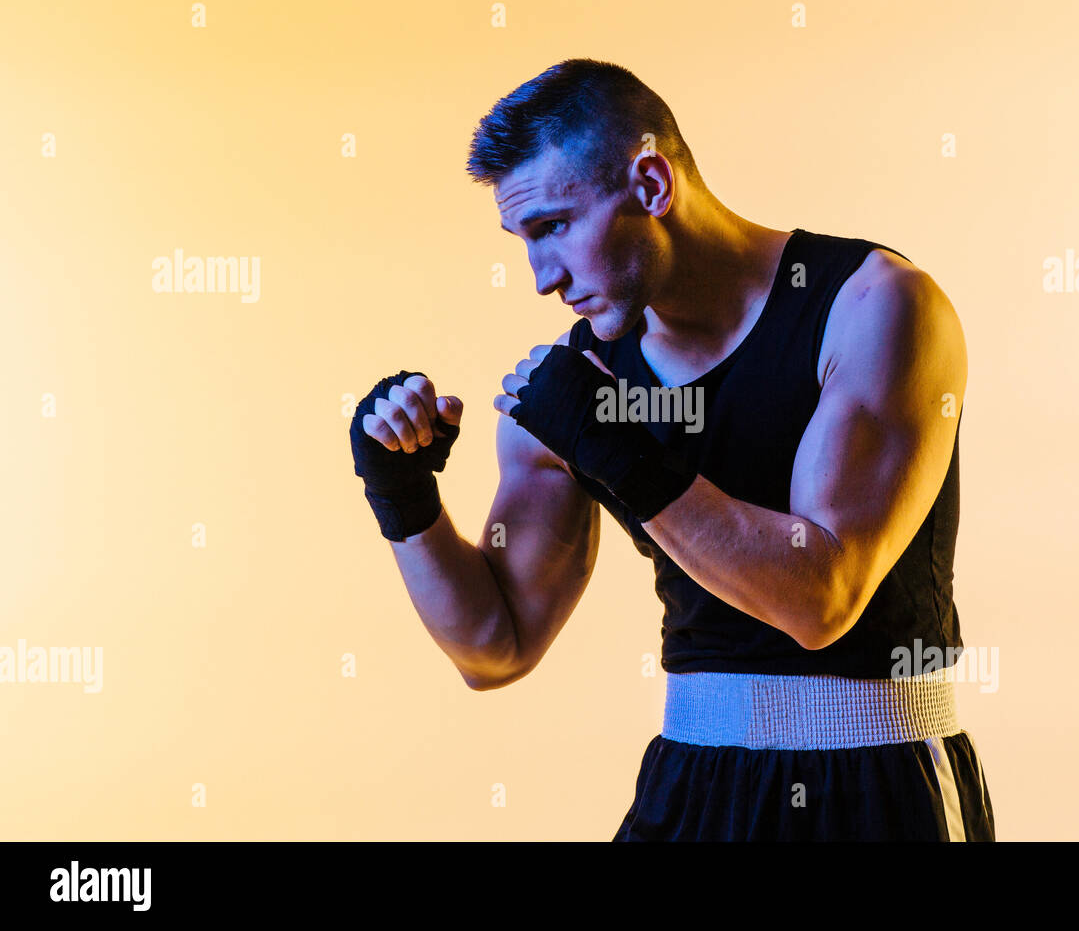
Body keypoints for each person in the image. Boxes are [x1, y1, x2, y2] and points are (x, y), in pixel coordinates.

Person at [348, 58, 994, 841]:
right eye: (522, 238)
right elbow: (496, 647)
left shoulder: (873, 307)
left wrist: (614, 446)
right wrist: (403, 496)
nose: (541, 276)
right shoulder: (579, 387)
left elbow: (821, 599)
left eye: (554, 225)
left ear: (652, 185)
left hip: (875, 777)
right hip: (691, 781)